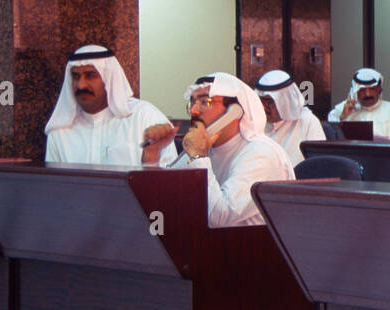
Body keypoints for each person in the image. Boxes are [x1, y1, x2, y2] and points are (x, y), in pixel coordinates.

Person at [168, 73, 295, 227]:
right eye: (192, 103)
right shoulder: (206, 149)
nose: (194, 111)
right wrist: (152, 154)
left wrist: (198, 157)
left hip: (255, 247)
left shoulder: (261, 153)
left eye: (204, 101)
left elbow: (218, 218)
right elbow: (166, 194)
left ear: (234, 111)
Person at [44, 44, 176, 166]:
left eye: (90, 76)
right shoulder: (60, 132)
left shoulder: (144, 117)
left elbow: (170, 177)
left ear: (109, 78)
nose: (81, 85)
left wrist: (151, 156)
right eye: (76, 76)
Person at [255, 69, 326, 166]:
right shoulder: (255, 122)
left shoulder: (307, 121)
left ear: (285, 102)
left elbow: (319, 164)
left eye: (269, 102)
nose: (263, 107)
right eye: (261, 101)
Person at [326, 68, 390, 142]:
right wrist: (342, 117)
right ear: (355, 90)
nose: (367, 94)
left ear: (379, 89)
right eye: (362, 90)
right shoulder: (341, 110)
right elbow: (330, 140)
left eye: (372, 89)